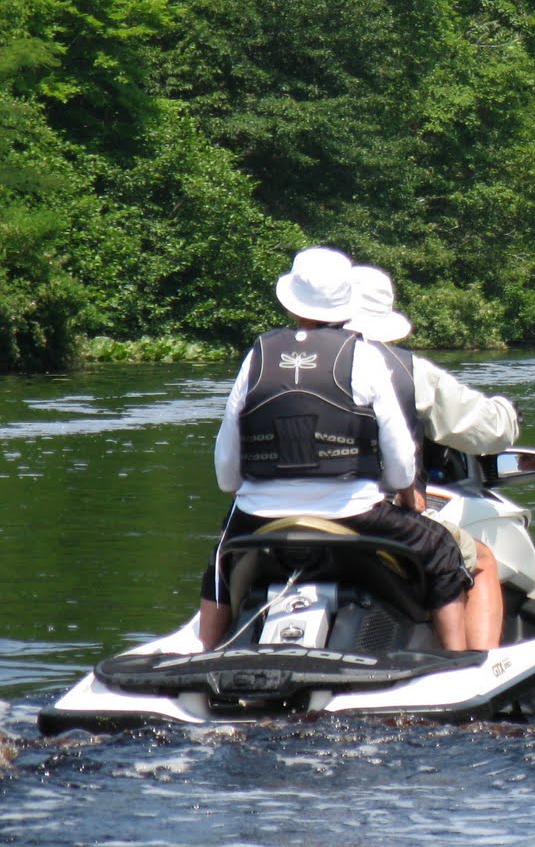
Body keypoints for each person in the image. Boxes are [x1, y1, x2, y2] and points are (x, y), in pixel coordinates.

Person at [197, 247, 471, 651]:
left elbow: (226, 471)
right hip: (354, 514)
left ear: (292, 305)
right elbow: (399, 467)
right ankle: (458, 663)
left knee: (220, 562)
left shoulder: (257, 356)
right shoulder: (364, 355)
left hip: (259, 517)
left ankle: (204, 655)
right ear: (347, 304)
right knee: (443, 553)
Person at [344, 264, 522, 652]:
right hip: (370, 518)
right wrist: (508, 412)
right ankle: (476, 671)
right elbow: (483, 429)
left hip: (272, 517)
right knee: (481, 561)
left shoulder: (281, 365)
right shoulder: (403, 369)